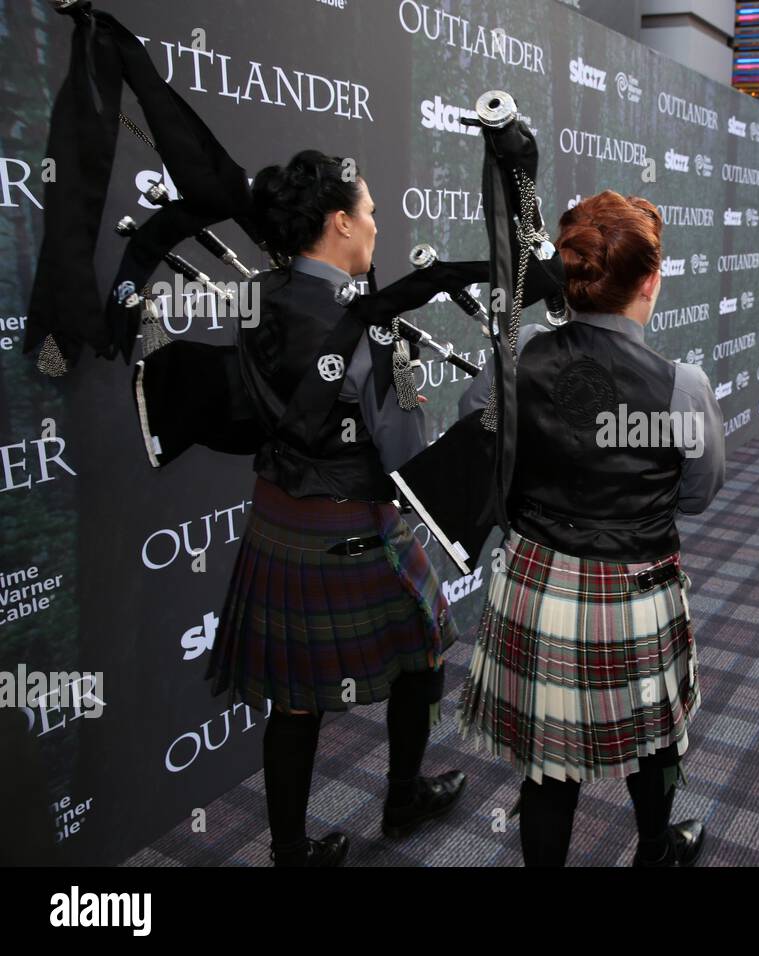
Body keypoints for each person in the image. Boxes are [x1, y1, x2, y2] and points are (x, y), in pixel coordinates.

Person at [205, 151, 466, 867]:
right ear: (341, 221)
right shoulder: (366, 326)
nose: (378, 224)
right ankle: (404, 795)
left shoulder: (258, 296)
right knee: (425, 649)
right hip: (353, 522)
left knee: (294, 698)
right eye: (371, 211)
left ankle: (289, 851)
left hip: (277, 521)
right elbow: (404, 451)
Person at [456, 190, 726, 867]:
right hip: (637, 592)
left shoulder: (513, 367)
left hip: (536, 585)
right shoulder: (682, 385)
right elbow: (698, 496)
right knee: (659, 739)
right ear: (650, 281)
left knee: (547, 769)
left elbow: (475, 432)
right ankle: (656, 848)